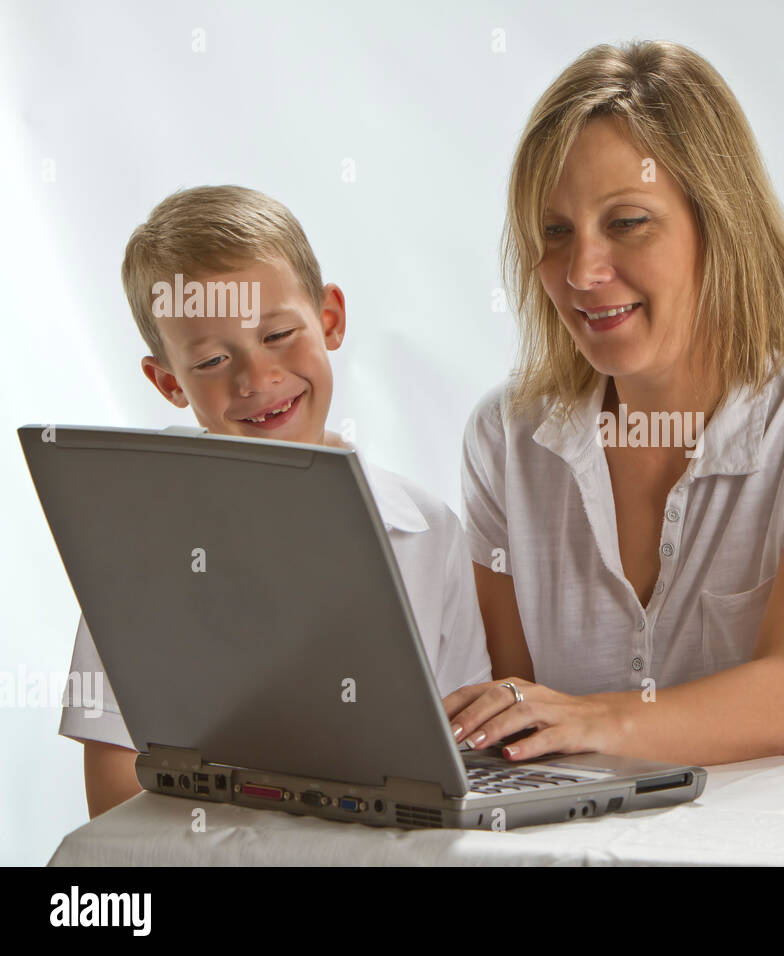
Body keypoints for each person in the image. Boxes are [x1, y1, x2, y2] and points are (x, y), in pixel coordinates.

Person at [446, 40, 784, 766]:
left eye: (627, 222)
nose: (581, 270)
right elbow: (519, 709)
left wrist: (593, 721)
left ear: (719, 223)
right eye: (555, 231)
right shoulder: (504, 437)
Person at [61, 185, 491, 817]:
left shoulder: (429, 531)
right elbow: (117, 803)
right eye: (210, 360)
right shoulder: (135, 558)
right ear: (167, 383)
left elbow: (466, 754)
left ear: (331, 320)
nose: (257, 378)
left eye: (279, 334)